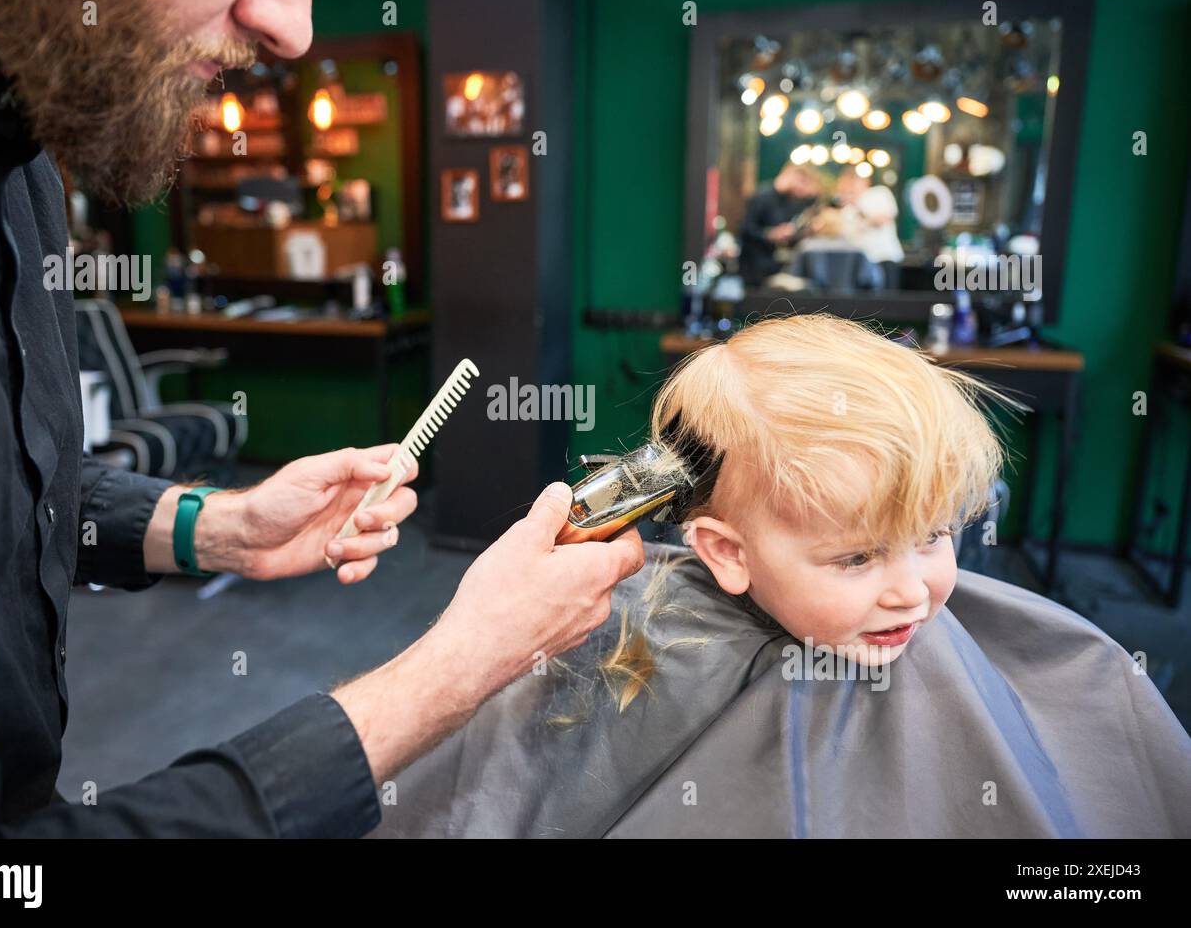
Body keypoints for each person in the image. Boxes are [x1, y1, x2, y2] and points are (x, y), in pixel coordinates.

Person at [0, 0, 644, 837]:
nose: (291, 27)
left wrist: (223, 527)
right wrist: (460, 664)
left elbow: (7, 484)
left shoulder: (22, 161)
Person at [373, 315, 1191, 837]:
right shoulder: (628, 625)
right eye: (858, 557)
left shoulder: (1009, 646)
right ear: (725, 551)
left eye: (937, 535)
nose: (913, 591)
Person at [737, 163, 823, 284]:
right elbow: (745, 229)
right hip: (753, 267)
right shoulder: (762, 196)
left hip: (773, 265)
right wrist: (770, 234)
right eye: (803, 182)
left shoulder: (789, 200)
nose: (802, 190)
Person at [835, 167, 904, 264]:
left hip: (883, 257)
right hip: (859, 261)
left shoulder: (879, 193)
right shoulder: (845, 209)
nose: (850, 186)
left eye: (853, 182)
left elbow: (882, 220)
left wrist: (857, 207)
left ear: (865, 181)